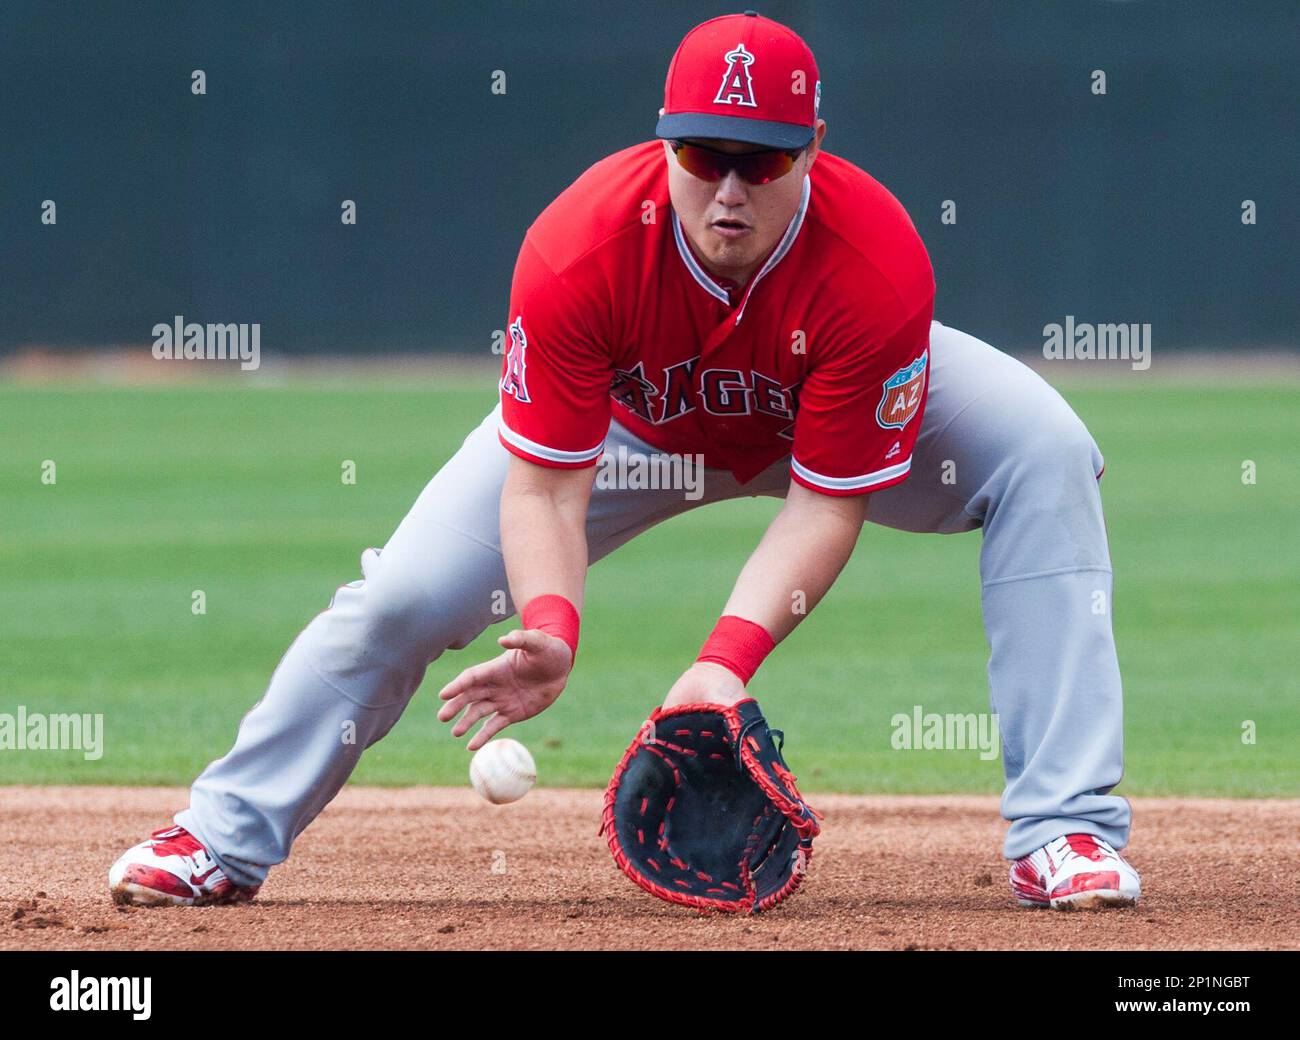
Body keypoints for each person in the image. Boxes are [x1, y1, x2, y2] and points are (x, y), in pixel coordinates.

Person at [109, 11, 1138, 913]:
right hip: (637, 433)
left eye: (763, 160)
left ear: (813, 151)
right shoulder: (578, 249)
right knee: (403, 596)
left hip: (818, 407)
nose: (728, 188)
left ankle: (1064, 830)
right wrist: (550, 625)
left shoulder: (872, 264)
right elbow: (548, 481)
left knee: (1045, 454)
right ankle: (222, 833)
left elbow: (827, 503)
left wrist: (721, 664)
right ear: (665, 145)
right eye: (703, 154)